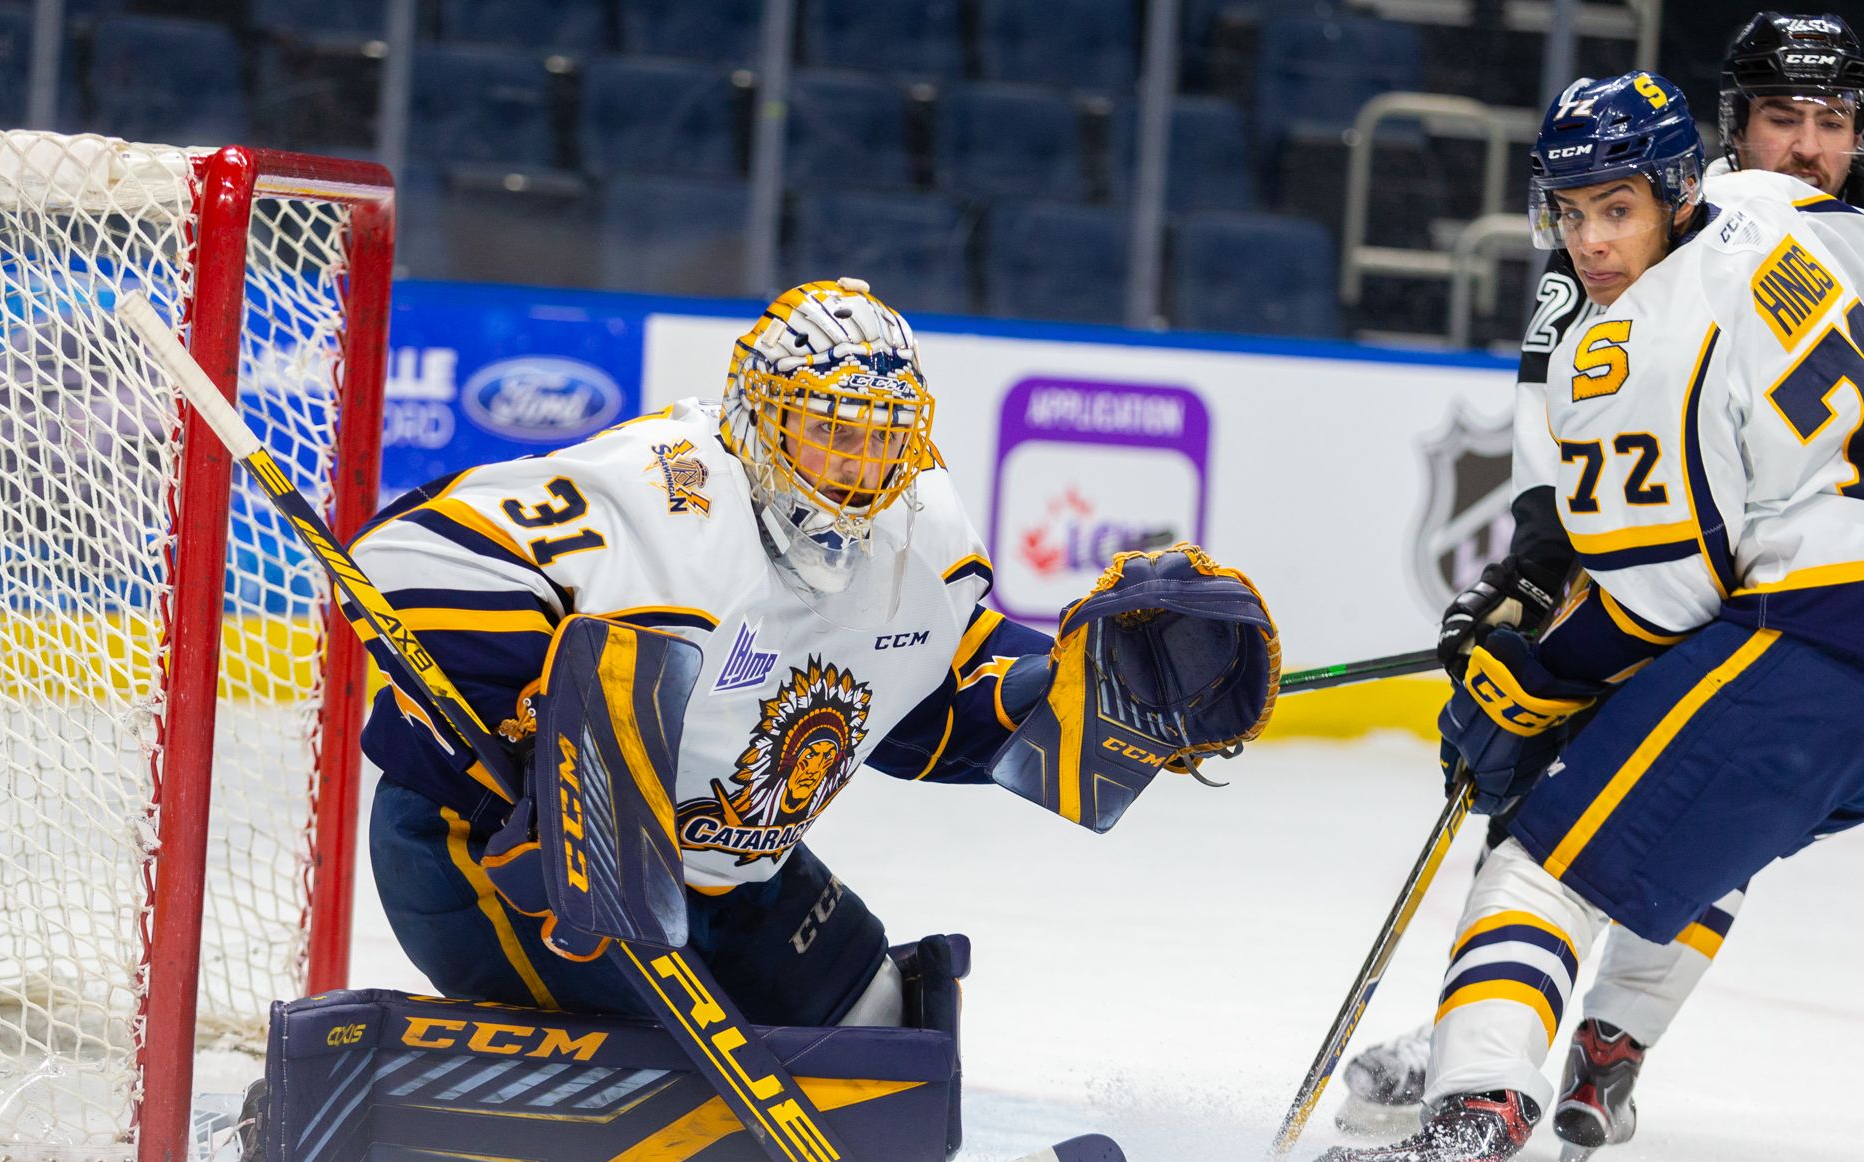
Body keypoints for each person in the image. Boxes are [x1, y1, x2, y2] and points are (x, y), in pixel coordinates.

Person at [1309, 70, 1864, 1162]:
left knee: (1539, 860)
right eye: (1568, 212)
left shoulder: (1622, 354)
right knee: (1707, 826)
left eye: (1614, 209)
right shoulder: (1770, 206)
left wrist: (1528, 676)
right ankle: (1606, 1050)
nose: (1589, 241)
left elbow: (1657, 606)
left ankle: (1462, 1137)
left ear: (1674, 193)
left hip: (1828, 640)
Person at [346, 277, 1275, 1032]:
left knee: (887, 1032)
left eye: (881, 439)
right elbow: (402, 559)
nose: (857, 468)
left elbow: (927, 704)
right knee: (669, 1079)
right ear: (760, 416)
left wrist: (1097, 696)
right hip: (482, 854)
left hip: (723, 871)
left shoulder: (923, 536)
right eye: (831, 430)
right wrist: (544, 755)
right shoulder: (667, 496)